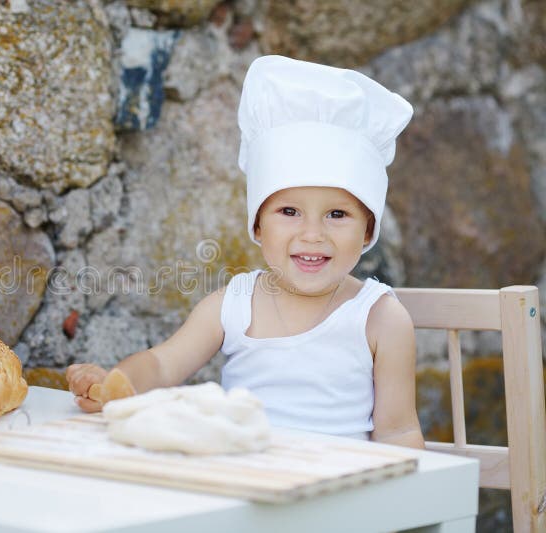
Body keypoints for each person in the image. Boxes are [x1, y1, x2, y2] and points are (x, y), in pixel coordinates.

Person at [67, 55, 425, 449]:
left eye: (337, 214)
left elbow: (398, 433)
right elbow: (163, 363)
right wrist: (117, 384)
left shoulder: (380, 319)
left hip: (339, 483)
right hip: (245, 478)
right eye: (289, 212)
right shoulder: (234, 305)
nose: (312, 234)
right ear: (257, 225)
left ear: (368, 230)